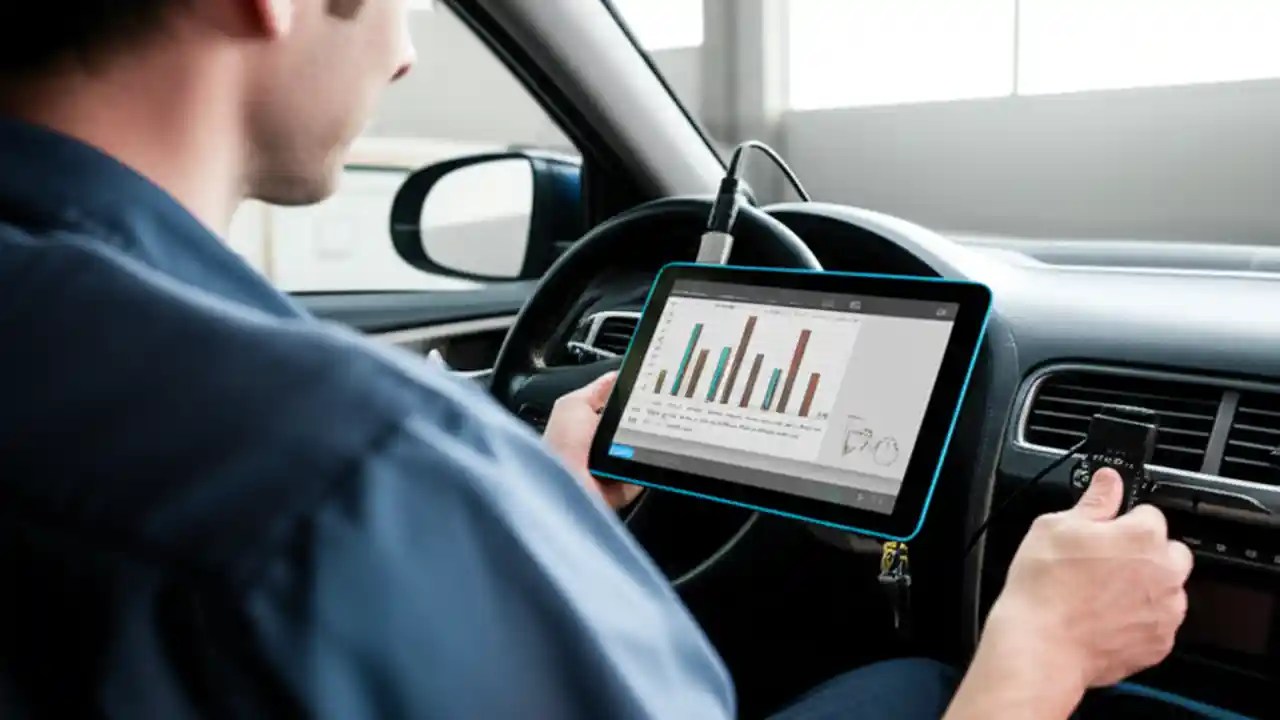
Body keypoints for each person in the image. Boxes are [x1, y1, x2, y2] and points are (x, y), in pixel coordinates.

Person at [0, 2, 1192, 718]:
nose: (406, 52)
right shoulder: (368, 479)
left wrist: (544, 507)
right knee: (917, 687)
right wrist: (1038, 654)